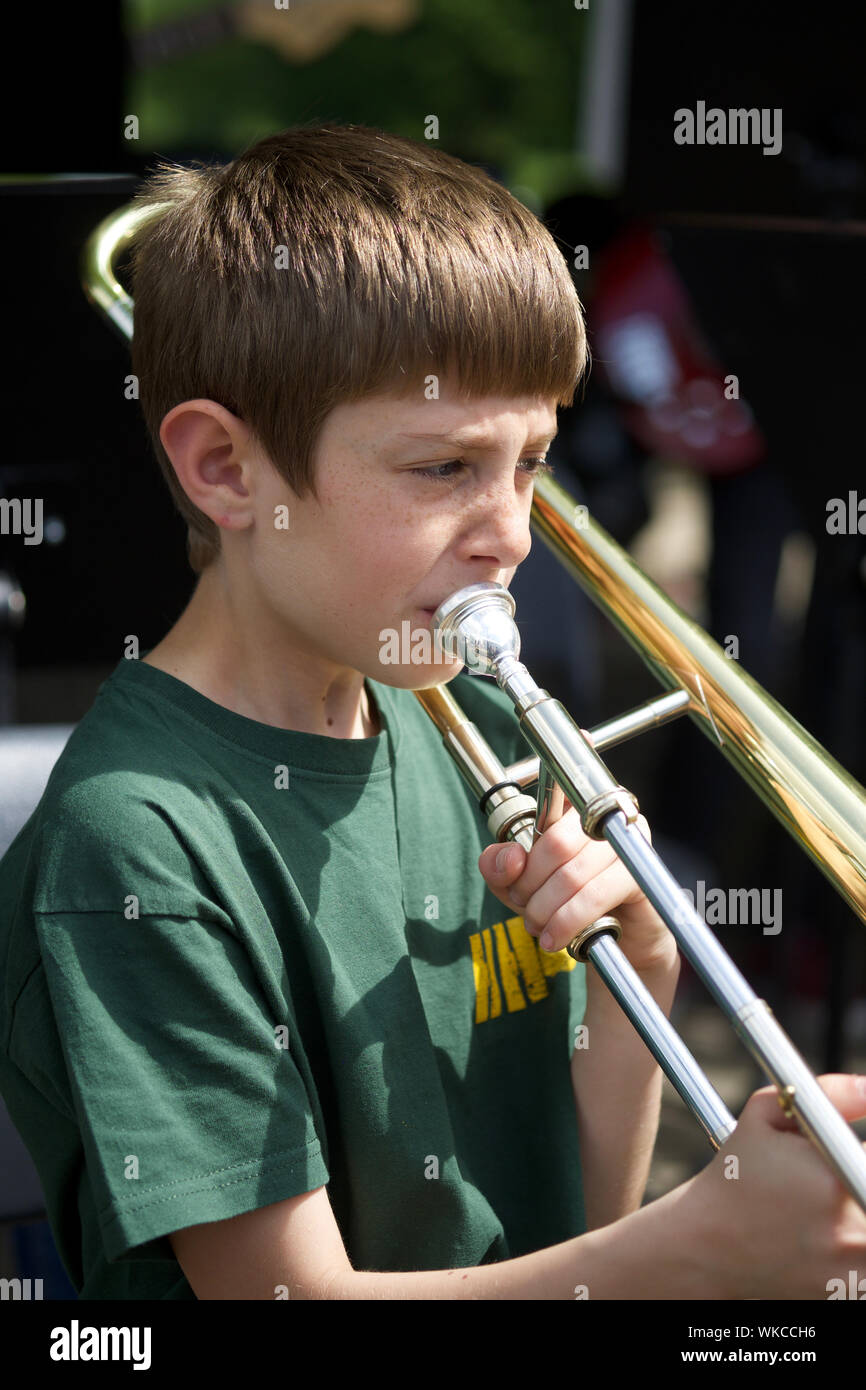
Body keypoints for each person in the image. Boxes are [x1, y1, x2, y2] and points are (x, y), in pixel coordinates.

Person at [1, 123, 865, 1302]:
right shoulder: (136, 845)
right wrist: (701, 1246)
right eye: (441, 468)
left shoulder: (488, 729)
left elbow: (572, 1233)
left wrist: (642, 967)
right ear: (224, 468)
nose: (512, 531)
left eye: (531, 462)